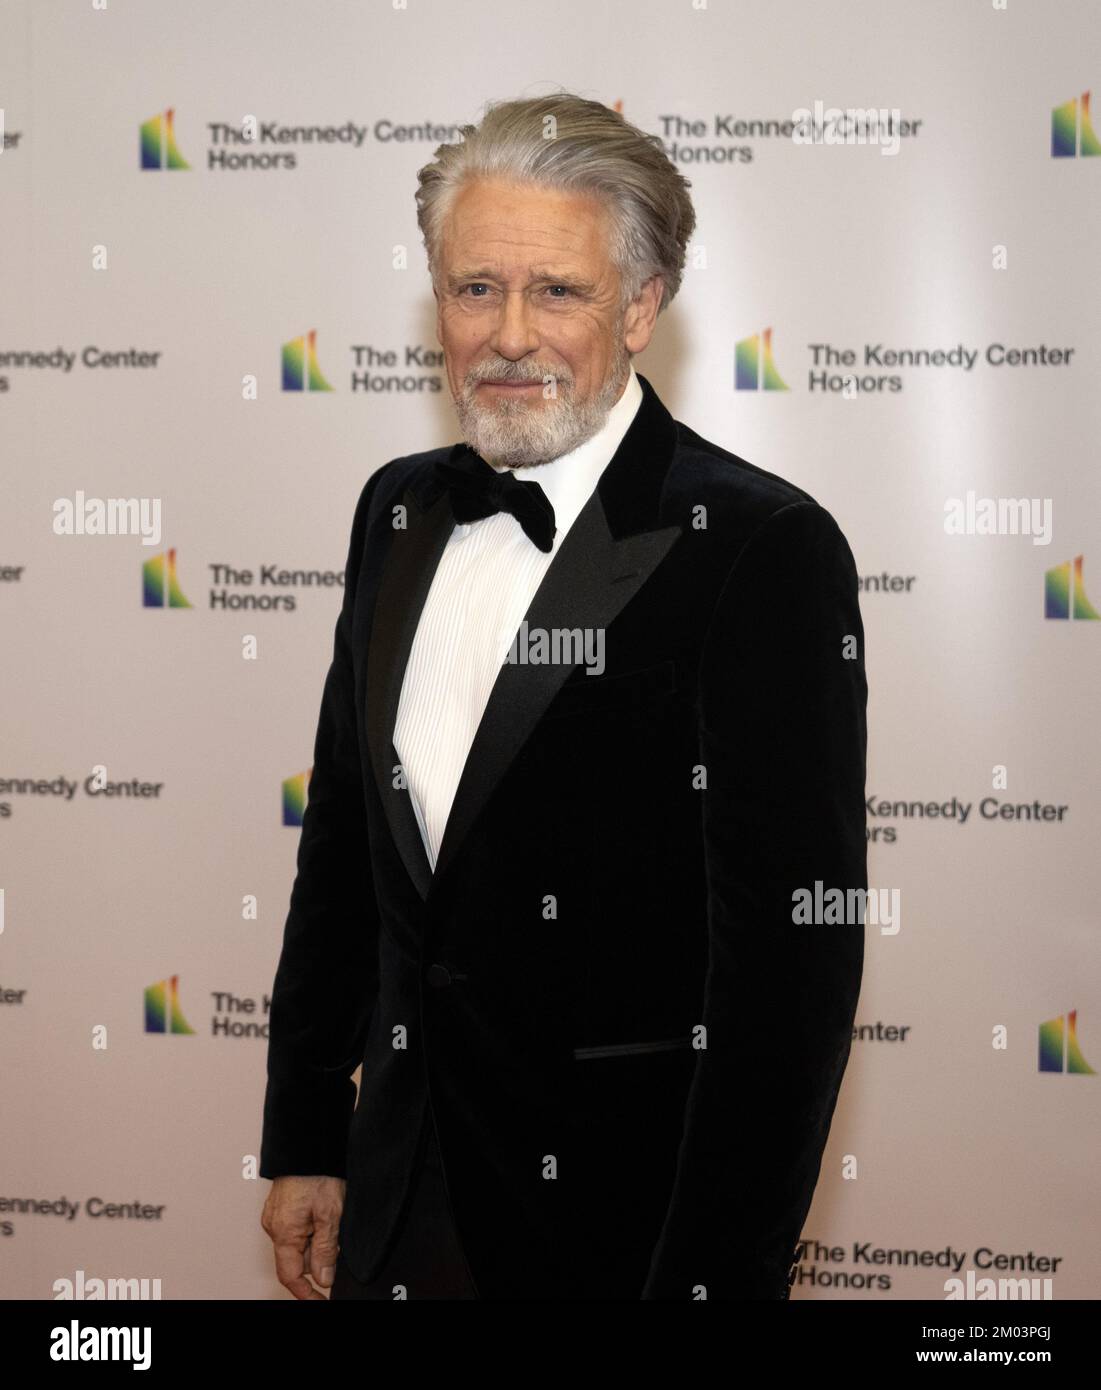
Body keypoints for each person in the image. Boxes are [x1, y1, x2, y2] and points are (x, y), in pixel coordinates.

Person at [259, 92, 867, 1301]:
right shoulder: (397, 509)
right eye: (475, 287)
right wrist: (309, 1135)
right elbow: (342, 851)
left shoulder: (757, 545)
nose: (509, 334)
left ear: (642, 307)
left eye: (560, 292)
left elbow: (788, 987)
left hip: (620, 1231)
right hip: (397, 1199)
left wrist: (709, 1281)